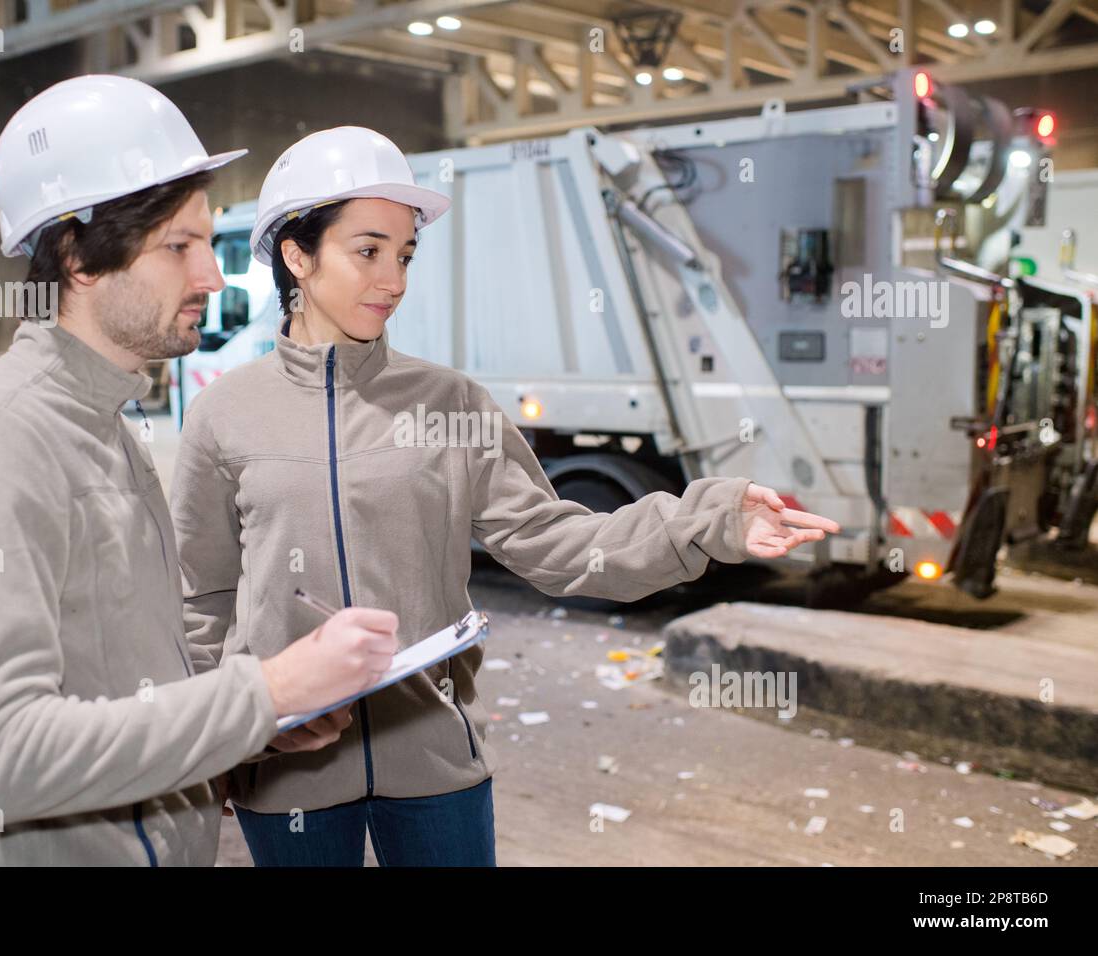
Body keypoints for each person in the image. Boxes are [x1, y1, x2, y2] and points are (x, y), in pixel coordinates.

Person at [169, 126, 840, 866]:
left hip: (432, 760)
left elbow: (559, 543)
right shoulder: (223, 414)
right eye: (368, 251)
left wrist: (707, 521)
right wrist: (221, 735)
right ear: (298, 254)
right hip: (286, 765)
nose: (392, 279)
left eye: (404, 255)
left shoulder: (450, 402)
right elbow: (204, 598)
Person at [0, 79, 396, 866]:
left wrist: (254, 729)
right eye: (178, 247)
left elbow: (127, 700)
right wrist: (266, 692)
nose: (212, 278)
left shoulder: (109, 434)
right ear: (77, 257)